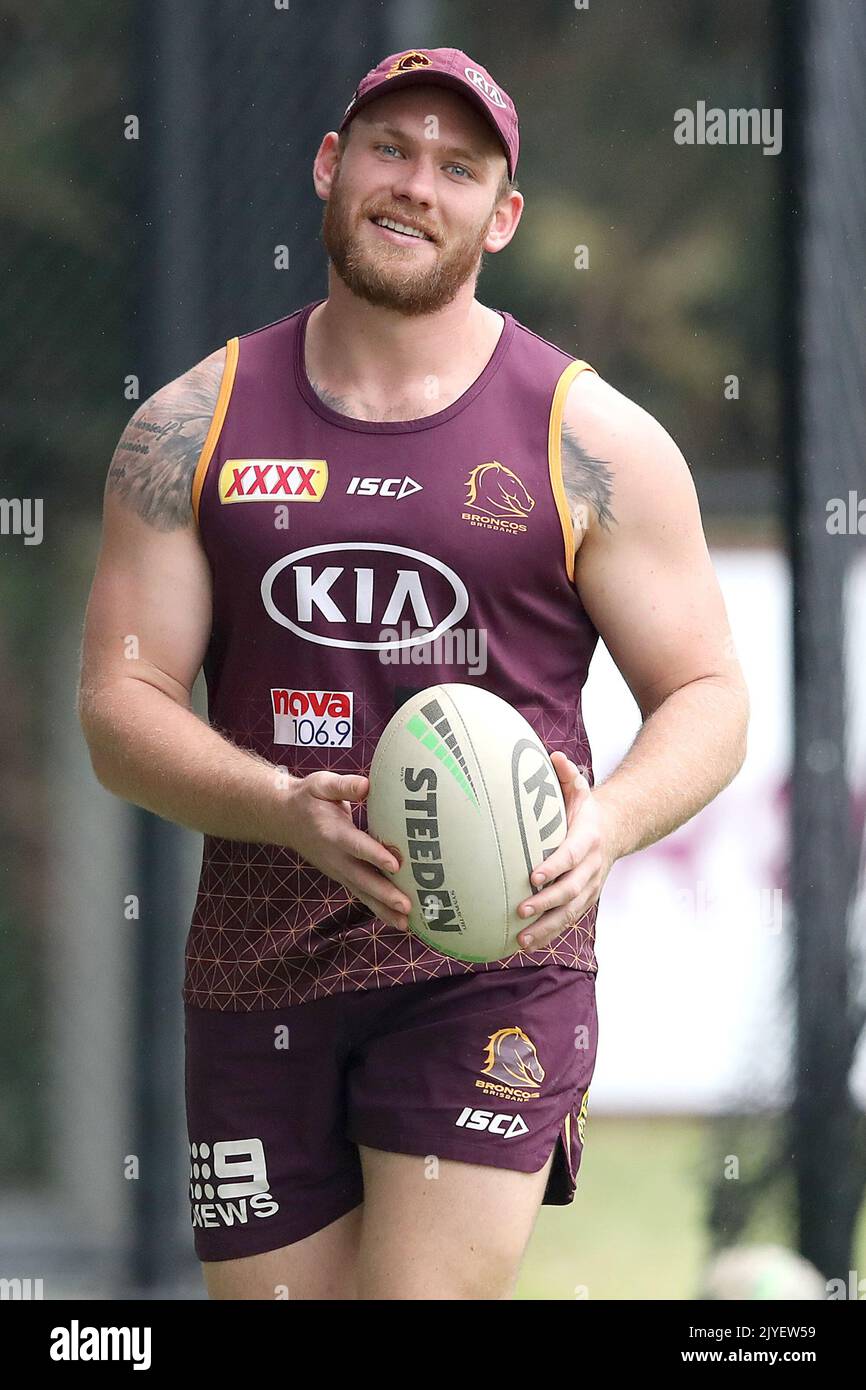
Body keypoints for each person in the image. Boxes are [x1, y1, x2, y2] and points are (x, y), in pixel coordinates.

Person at [78, 47, 749, 1300]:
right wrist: (283, 806)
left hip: (491, 952)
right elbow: (119, 707)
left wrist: (603, 823)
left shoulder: (589, 436)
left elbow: (708, 694)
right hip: (254, 956)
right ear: (330, 169)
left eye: (456, 167)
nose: (414, 186)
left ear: (500, 216)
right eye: (389, 150)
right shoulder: (188, 425)